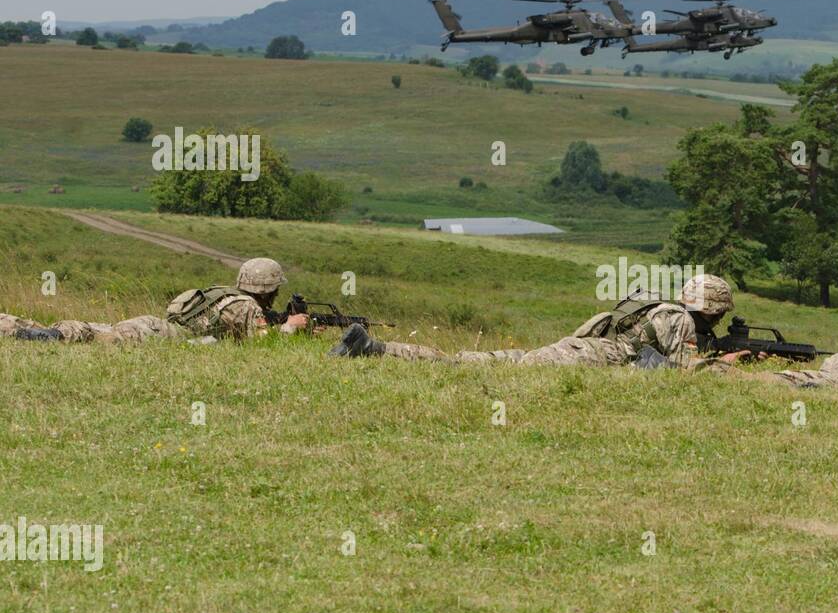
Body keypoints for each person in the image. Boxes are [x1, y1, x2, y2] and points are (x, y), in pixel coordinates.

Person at [328, 274, 740, 369]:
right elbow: (683, 373)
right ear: (713, 310)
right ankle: (374, 349)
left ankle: (377, 348)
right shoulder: (682, 322)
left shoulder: (657, 307)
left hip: (576, 350)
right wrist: (728, 363)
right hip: (585, 360)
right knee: (466, 364)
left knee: (476, 360)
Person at [2, 257, 304, 343]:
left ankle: (15, 326)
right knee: (100, 338)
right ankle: (45, 336)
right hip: (159, 336)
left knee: (97, 329)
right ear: (269, 289)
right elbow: (265, 344)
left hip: (154, 325)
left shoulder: (222, 294)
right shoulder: (247, 307)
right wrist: (292, 326)